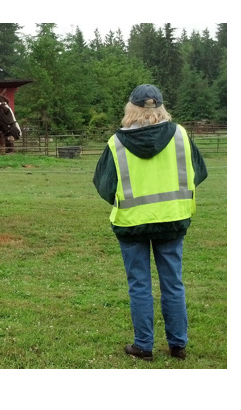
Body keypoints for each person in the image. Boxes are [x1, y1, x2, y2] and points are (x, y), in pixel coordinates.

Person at [92, 84, 208, 361]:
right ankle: (177, 344)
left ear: (130, 109)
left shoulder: (116, 143)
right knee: (173, 282)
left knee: (139, 285)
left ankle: (144, 346)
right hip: (173, 220)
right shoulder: (181, 135)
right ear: (161, 107)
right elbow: (199, 173)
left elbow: (105, 185)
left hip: (131, 224)